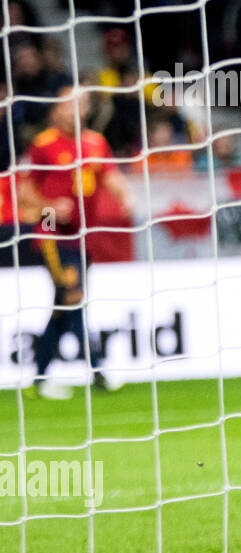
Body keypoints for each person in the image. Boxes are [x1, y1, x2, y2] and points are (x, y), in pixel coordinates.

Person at [15, 86, 132, 398]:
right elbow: (25, 193)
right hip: (52, 232)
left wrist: (125, 194)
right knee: (74, 297)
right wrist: (51, 207)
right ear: (55, 110)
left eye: (81, 104)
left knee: (63, 306)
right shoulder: (44, 145)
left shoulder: (95, 142)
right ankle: (98, 372)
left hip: (82, 237)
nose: (76, 110)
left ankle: (39, 379)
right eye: (69, 105)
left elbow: (111, 176)